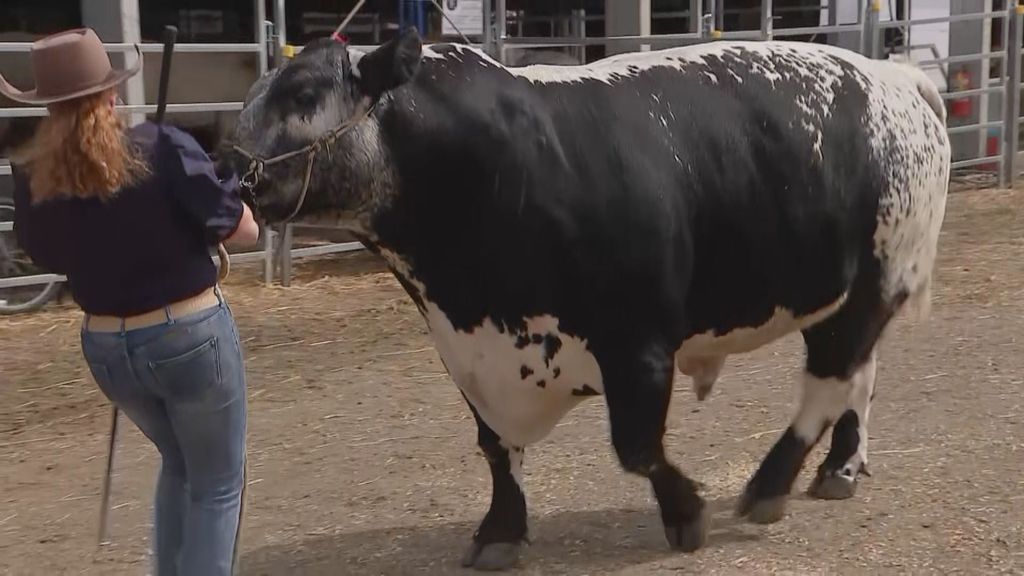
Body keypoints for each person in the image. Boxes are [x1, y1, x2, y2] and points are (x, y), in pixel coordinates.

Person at [2, 28, 259, 576]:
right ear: (111, 95)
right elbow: (243, 232)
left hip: (107, 348)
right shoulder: (160, 147)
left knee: (181, 465)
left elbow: (46, 254)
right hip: (189, 336)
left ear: (48, 105)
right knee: (217, 486)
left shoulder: (30, 177)